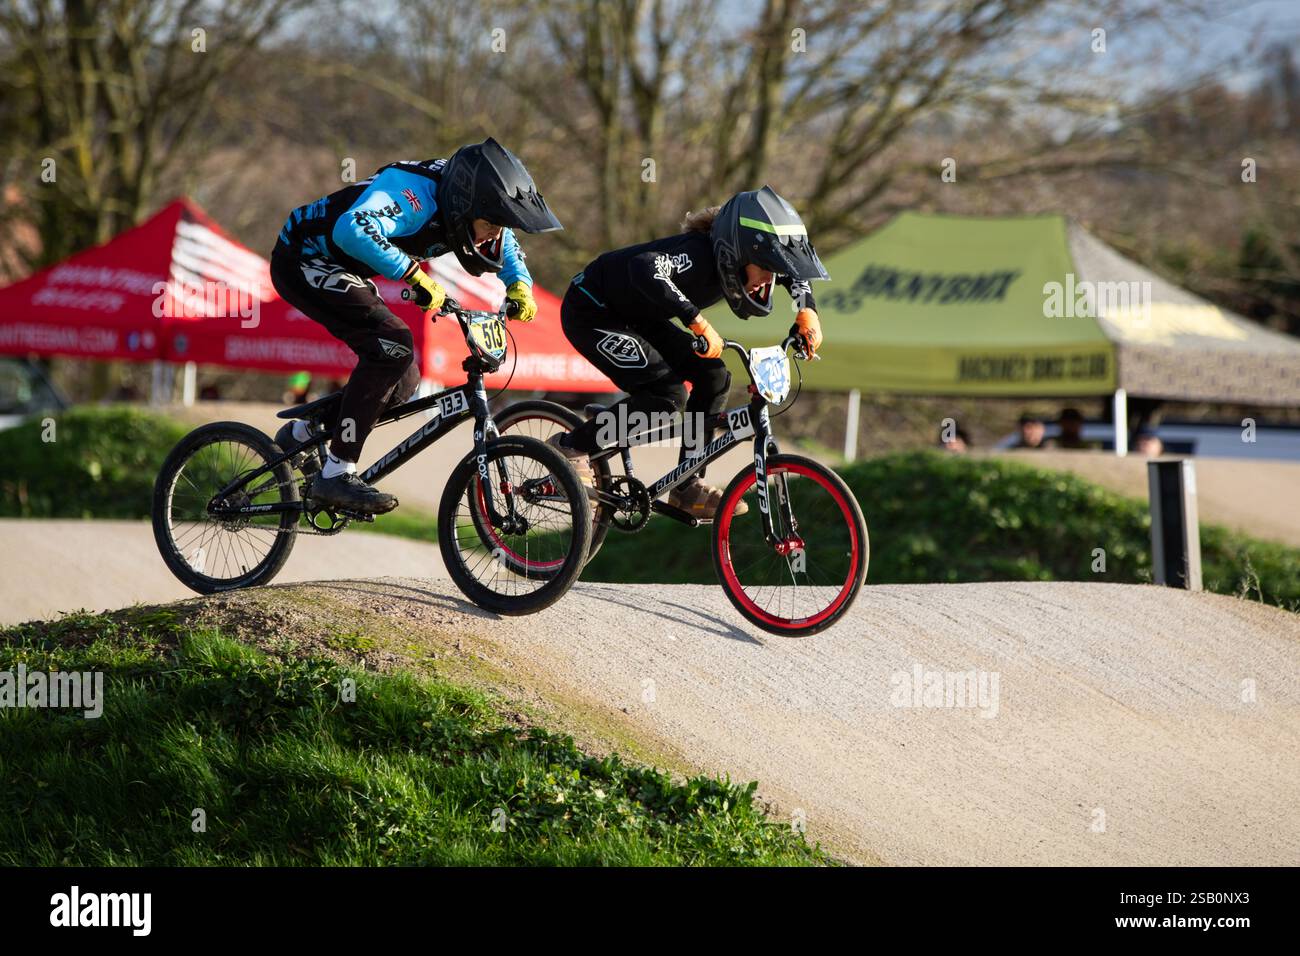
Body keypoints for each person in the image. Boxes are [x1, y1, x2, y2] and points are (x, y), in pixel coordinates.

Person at [269, 138, 562, 514]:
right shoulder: (413, 197)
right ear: (464, 207)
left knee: (404, 379)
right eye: (490, 224)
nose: (494, 233)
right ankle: (336, 474)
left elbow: (504, 242)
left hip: (345, 267)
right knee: (393, 342)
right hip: (304, 258)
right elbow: (350, 229)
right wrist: (413, 275)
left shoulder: (470, 203)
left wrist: (519, 283)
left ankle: (301, 433)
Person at [547, 186, 829, 518]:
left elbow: (796, 272)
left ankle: (686, 485)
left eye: (773, 272)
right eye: (765, 269)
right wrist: (695, 321)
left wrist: (806, 311)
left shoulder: (748, 262)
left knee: (715, 377)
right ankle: (571, 447)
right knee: (667, 397)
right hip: (593, 312)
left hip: (640, 316)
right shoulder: (698, 254)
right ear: (738, 254)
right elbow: (644, 267)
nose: (768, 280)